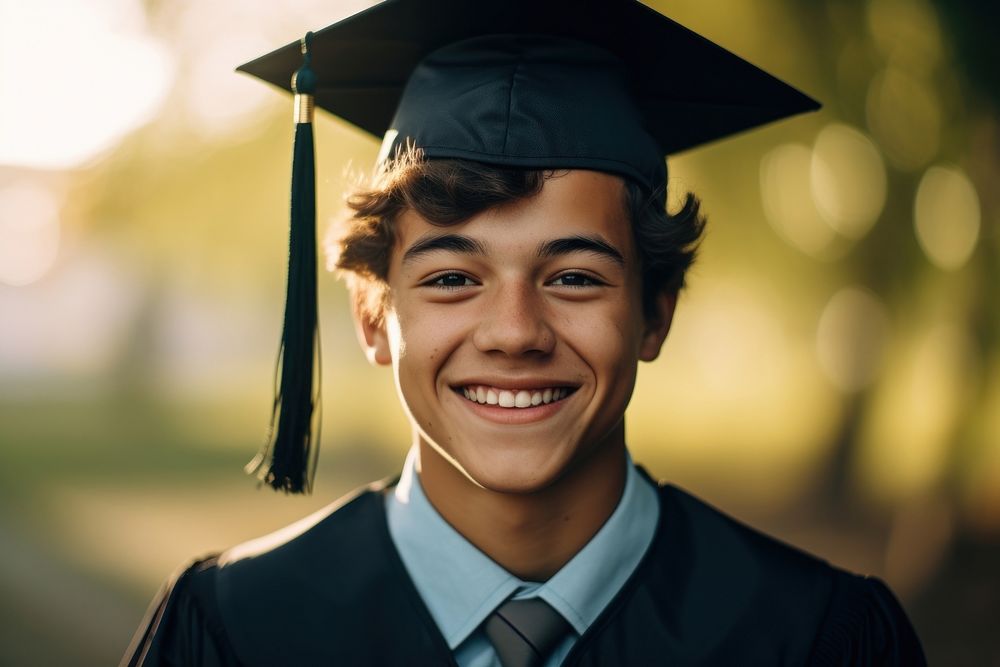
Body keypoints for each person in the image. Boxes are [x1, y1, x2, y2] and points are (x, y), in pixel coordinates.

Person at [123, 0, 926, 664]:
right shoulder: (236, 632)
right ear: (373, 316)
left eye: (573, 277)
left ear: (655, 312)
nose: (515, 332)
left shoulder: (812, 638)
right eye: (451, 279)